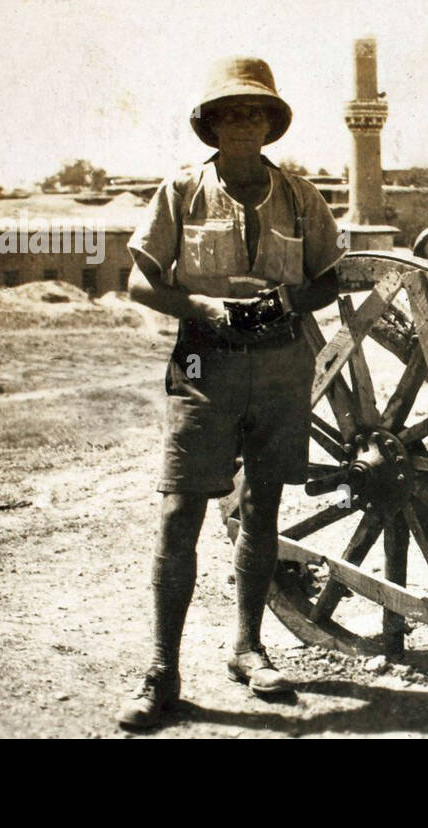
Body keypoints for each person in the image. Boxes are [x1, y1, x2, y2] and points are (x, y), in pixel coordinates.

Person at [117, 56, 344, 729]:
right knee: (179, 511)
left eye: (254, 112)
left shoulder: (300, 195)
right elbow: (140, 282)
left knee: (264, 509)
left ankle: (248, 646)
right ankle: (162, 671)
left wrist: (291, 296)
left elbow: (332, 277)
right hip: (200, 362)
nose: (241, 124)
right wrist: (205, 307)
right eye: (229, 113)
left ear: (269, 123)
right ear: (210, 124)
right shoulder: (181, 192)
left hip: (281, 366)